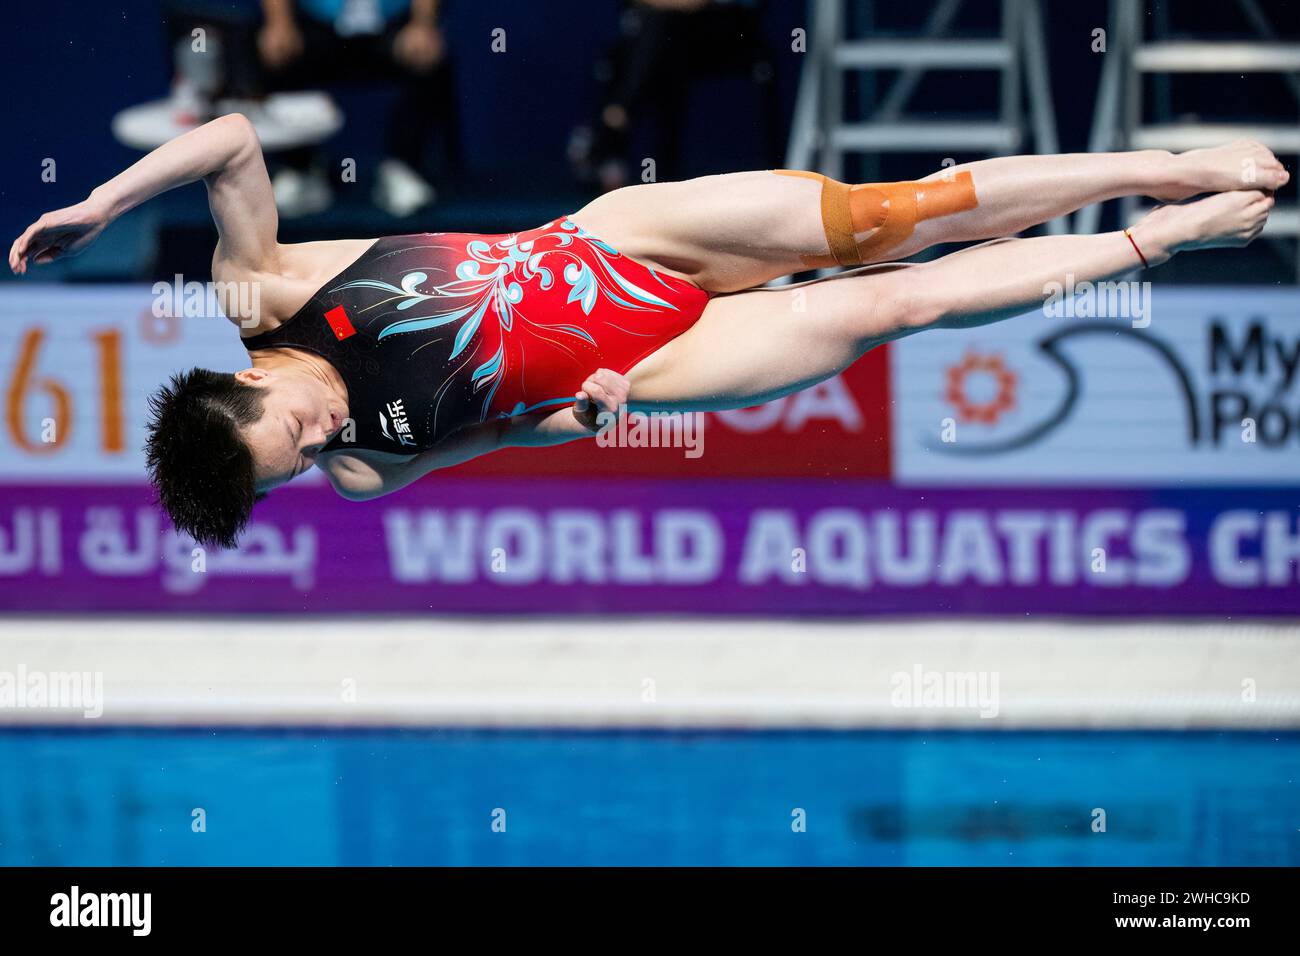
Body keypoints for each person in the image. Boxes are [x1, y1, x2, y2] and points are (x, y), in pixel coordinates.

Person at [9, 114, 1285, 548]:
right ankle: (1167, 238)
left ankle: (1162, 167)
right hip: (660, 360)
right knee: (902, 302)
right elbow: (516, 434)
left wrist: (98, 204)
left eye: (294, 427)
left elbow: (232, 141)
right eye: (304, 459)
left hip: (620, 244)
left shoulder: (261, 292)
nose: (322, 435)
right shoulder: (361, 469)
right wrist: (589, 415)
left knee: (887, 218)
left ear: (245, 382)